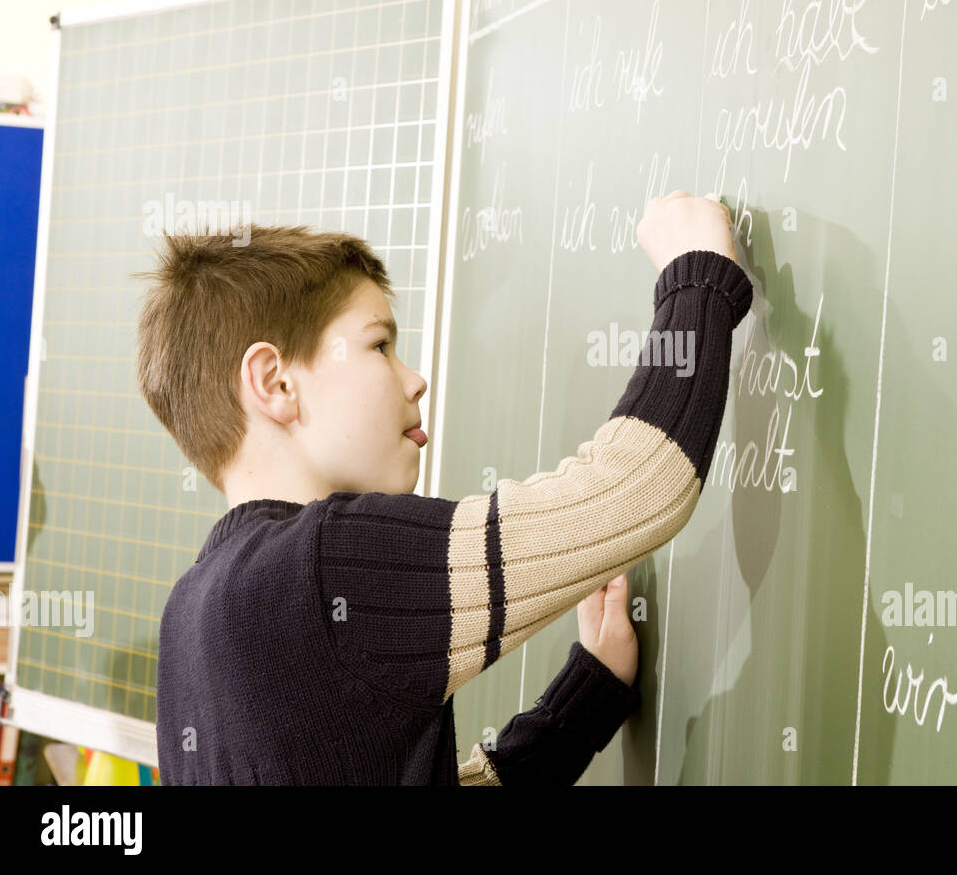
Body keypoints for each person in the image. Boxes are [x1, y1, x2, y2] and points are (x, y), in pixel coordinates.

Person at [134, 190, 753, 784]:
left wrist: (587, 693)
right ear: (276, 382)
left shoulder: (188, 618)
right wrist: (695, 275)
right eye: (380, 345)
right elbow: (639, 484)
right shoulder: (325, 565)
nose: (416, 380)